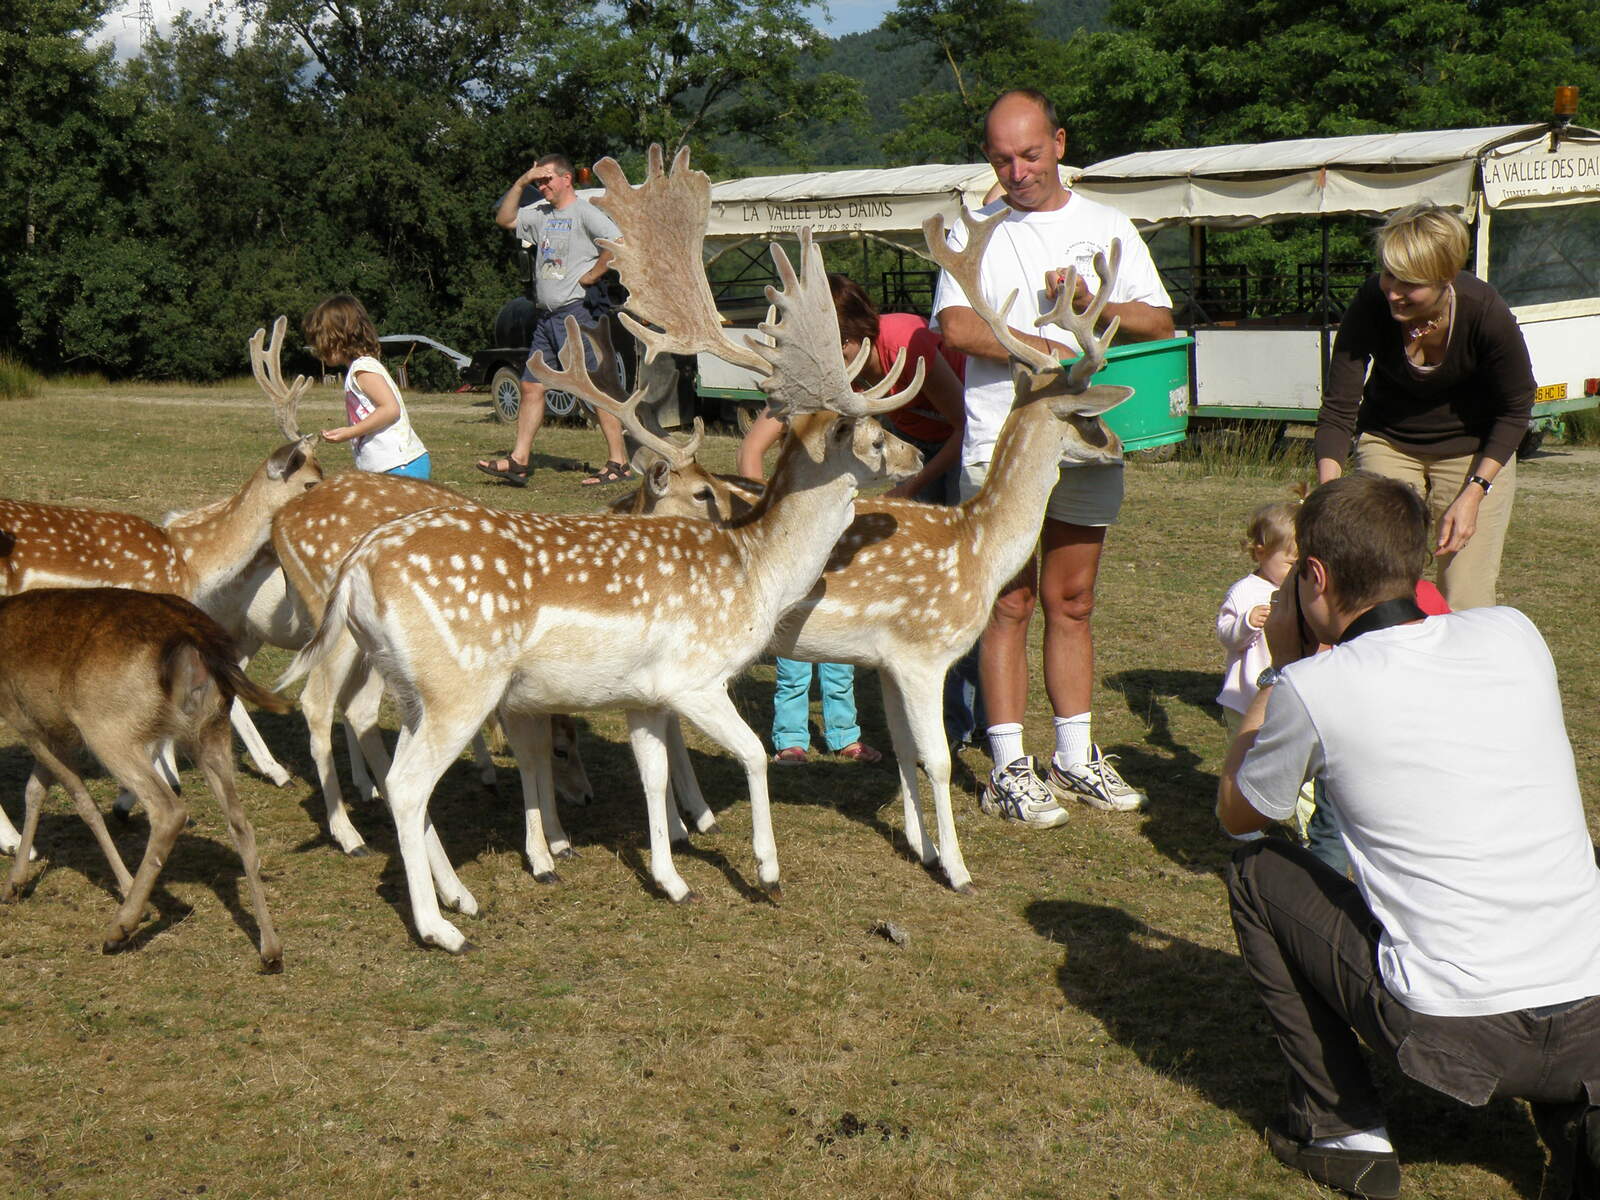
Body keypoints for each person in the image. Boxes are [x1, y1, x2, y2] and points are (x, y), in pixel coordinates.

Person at [1217, 472, 1600, 1200]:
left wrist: (1280, 673)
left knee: (1255, 869)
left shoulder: (1314, 689)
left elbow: (1240, 811)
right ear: (1416, 562)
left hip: (1459, 1038)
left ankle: (1340, 1131)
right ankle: (1582, 1115)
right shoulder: (1515, 631)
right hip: (1594, 1012)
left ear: (1316, 577)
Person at [931, 88, 1174, 827]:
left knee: (1073, 601)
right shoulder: (973, 232)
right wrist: (1036, 346)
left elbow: (1158, 317)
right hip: (999, 445)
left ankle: (1074, 755)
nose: (1018, 171)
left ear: (1059, 143)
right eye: (1002, 159)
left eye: (1030, 154)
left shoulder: (1105, 225)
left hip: (1086, 441)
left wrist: (1092, 305)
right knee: (1009, 601)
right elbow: (955, 328)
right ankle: (1008, 765)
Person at [738, 273, 978, 750]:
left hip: (960, 443)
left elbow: (962, 426)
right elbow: (752, 449)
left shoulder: (906, 344)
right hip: (895, 456)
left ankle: (969, 721)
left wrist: (909, 489)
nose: (832, 357)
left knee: (958, 589)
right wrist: (771, 513)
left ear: (855, 339)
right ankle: (909, 723)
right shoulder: (823, 372)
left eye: (837, 345)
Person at [1314, 203, 1535, 610]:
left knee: (1465, 592)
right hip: (1390, 441)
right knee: (1379, 579)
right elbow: (1339, 406)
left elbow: (1516, 409)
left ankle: (1463, 669)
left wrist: (1474, 494)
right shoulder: (1371, 302)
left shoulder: (1484, 312)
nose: (1393, 291)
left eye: (1409, 283)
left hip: (1474, 450)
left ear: (1444, 278)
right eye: (1388, 275)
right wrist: (1327, 495)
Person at [735, 407, 882, 767]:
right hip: (792, 554)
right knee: (793, 653)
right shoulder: (792, 406)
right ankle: (790, 738)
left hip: (834, 551)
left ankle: (845, 734)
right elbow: (750, 451)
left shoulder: (847, 407)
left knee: (839, 651)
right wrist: (763, 506)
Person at [476, 153, 631, 488]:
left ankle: (619, 462)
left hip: (576, 314)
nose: (542, 186)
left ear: (566, 178)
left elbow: (618, 244)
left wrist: (593, 274)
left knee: (596, 387)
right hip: (546, 318)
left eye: (547, 180)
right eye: (538, 181)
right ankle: (519, 462)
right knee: (532, 385)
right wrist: (521, 182)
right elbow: (504, 220)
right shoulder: (540, 214)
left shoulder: (584, 212)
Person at [303, 295, 430, 478]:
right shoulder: (360, 368)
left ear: (339, 337)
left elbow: (390, 409)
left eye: (319, 339)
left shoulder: (362, 370)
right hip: (391, 466)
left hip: (399, 465)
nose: (317, 348)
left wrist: (350, 432)